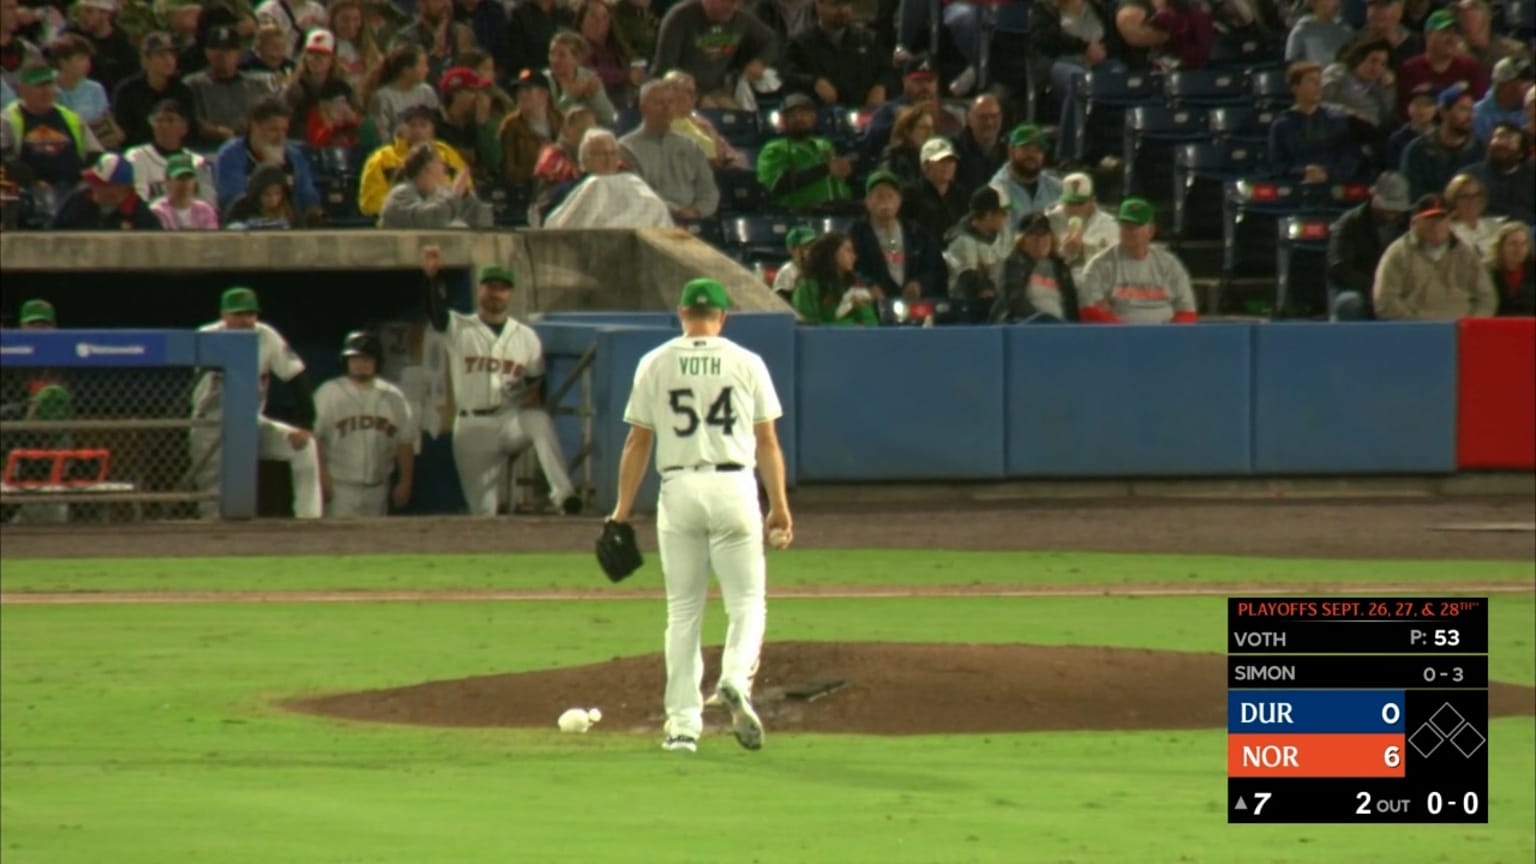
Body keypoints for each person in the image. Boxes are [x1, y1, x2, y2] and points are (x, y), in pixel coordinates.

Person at [609, 276, 790, 754]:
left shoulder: (656, 361)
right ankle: (734, 679)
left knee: (684, 611)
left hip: (680, 488)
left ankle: (683, 726)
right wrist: (780, 508)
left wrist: (620, 512)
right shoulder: (747, 362)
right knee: (747, 602)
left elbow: (638, 442)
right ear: (723, 316)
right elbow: (768, 442)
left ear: (682, 314)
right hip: (734, 485)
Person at [420, 246, 582, 516]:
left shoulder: (526, 336)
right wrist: (431, 279)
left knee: (538, 420)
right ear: (480, 290)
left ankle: (564, 496)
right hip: (472, 427)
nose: (496, 292)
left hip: (510, 419)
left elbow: (535, 381)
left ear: (510, 294)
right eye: (491, 287)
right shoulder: (459, 326)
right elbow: (434, 312)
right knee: (483, 512)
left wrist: (527, 393)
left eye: (502, 288)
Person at [189, 286, 322, 520]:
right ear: (224, 314)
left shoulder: (266, 335)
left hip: (251, 422)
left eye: (249, 314)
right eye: (238, 314)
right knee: (211, 496)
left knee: (303, 446)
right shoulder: (207, 335)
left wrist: (306, 423)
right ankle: (211, 540)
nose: (244, 320)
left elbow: (296, 376)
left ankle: (308, 519)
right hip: (210, 425)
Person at [314, 330, 416, 519]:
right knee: (338, 543)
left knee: (376, 544)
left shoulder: (394, 396)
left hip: (379, 489)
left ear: (377, 361)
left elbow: (405, 442)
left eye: (367, 359)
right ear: (346, 362)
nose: (361, 364)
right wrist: (322, 478)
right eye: (356, 359)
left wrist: (405, 481)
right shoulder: (328, 393)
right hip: (340, 488)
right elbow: (315, 439)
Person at [1374, 194, 1497, 320]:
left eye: (1441, 219)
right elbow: (1385, 300)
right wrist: (1414, 326)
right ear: (1414, 223)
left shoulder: (1466, 255)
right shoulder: (1398, 254)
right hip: (1414, 332)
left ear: (1449, 222)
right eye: (1429, 219)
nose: (1436, 225)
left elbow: (1486, 297)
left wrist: (1471, 325)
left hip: (1460, 331)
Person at [1078, 197, 1198, 323]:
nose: (1130, 231)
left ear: (1151, 230)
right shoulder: (1100, 264)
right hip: (1117, 338)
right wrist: (1128, 334)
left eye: (1136, 226)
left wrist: (1169, 336)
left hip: (1165, 337)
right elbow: (1089, 310)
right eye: (1125, 226)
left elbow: (1187, 311)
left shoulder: (1169, 264)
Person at [1030, 0, 1120, 165]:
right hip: (1060, 62)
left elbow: (1112, 38)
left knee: (1118, 75)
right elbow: (1044, 39)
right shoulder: (1044, 8)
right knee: (1080, 81)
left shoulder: (1097, 8)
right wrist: (1083, 47)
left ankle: (1109, 150)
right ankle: (1068, 154)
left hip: (1097, 63)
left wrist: (1102, 51)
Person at [1, 63, 103, 207]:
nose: (47, 91)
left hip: (74, 189)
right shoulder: (7, 119)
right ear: (22, 90)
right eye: (39, 86)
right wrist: (30, 181)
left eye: (50, 86)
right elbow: (5, 158)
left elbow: (95, 154)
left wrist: (84, 183)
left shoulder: (71, 118)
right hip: (28, 193)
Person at [619, 78, 719, 219]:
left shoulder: (691, 146)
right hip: (649, 220)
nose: (667, 108)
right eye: (659, 103)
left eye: (671, 102)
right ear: (643, 107)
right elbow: (636, 192)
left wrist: (697, 211)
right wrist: (674, 211)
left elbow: (709, 190)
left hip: (694, 220)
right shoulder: (626, 147)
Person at [652, 0, 778, 109]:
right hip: (679, 92)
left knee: (739, 119)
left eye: (737, 2)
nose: (732, 7)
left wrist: (760, 62)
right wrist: (696, 97)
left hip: (717, 90)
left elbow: (771, 40)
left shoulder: (741, 19)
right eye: (726, 1)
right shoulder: (681, 16)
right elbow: (663, 71)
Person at [212, 95, 320, 216]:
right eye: (273, 130)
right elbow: (232, 201)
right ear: (254, 126)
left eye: (284, 130)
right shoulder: (231, 155)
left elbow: (309, 198)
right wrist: (268, 171)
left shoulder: (294, 156)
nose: (280, 138)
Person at [544, 126, 673, 227]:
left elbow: (653, 208)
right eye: (602, 154)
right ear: (584, 158)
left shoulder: (631, 183)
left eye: (613, 153)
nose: (609, 160)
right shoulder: (566, 190)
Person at [357, 103, 469, 216]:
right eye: (412, 125)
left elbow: (467, 191)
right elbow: (369, 203)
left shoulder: (447, 154)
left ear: (433, 129)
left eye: (423, 125)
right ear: (401, 129)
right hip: (398, 223)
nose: (418, 131)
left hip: (445, 219)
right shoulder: (382, 159)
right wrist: (414, 208)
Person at [852, 170, 947, 300]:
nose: (885, 202)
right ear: (867, 201)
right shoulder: (856, 234)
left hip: (913, 306)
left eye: (890, 196)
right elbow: (849, 269)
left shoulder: (916, 233)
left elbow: (935, 267)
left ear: (899, 201)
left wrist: (920, 284)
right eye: (879, 196)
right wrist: (868, 285)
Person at [1328, 170, 1411, 320]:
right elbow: (1339, 266)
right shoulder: (1351, 223)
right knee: (1350, 303)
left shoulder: (1411, 223)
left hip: (1402, 287)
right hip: (1362, 288)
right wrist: (1376, 287)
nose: (1391, 212)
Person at [781, 0, 888, 109]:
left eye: (846, 4)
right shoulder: (801, 44)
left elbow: (887, 70)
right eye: (835, 5)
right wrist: (814, 82)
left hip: (862, 112)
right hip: (819, 114)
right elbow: (787, 74)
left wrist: (881, 86)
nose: (842, 10)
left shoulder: (868, 40)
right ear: (819, 5)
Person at [755, 90, 851, 211]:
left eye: (804, 113)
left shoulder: (824, 144)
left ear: (813, 117)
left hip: (840, 209)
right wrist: (825, 169)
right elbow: (779, 185)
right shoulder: (774, 148)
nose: (799, 117)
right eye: (792, 114)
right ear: (783, 120)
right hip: (801, 215)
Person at [1270, 61, 1362, 183]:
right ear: (1295, 88)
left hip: (1334, 185)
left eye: (1320, 81)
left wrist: (1327, 173)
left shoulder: (1337, 120)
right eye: (1311, 81)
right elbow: (1278, 164)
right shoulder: (1282, 125)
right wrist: (1303, 172)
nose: (1318, 86)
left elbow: (1350, 158)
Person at [1395, 9, 1487, 119]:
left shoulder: (1470, 68)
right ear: (1428, 35)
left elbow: (1480, 107)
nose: (1452, 38)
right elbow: (1403, 112)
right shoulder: (1410, 69)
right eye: (1445, 31)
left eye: (1455, 33)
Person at [378, 140, 491, 227]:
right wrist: (455, 196)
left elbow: (484, 222)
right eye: (441, 163)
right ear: (428, 167)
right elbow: (428, 220)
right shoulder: (400, 194)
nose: (445, 170)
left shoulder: (442, 194)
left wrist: (466, 197)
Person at [111, 31, 196, 146]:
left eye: (172, 55)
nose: (169, 60)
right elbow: (123, 132)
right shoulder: (127, 91)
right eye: (162, 55)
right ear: (146, 59)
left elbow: (190, 131)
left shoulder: (182, 91)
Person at [125, 98, 216, 206]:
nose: (163, 125)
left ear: (184, 128)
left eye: (170, 120)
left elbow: (209, 202)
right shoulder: (137, 156)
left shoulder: (197, 161)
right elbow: (139, 200)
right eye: (158, 120)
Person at [184, 24, 266, 144]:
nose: (222, 54)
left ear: (239, 53)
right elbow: (192, 121)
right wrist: (219, 132)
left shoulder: (256, 83)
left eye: (228, 49)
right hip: (208, 148)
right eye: (216, 48)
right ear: (207, 52)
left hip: (249, 145)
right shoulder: (192, 84)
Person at [995, 211, 1081, 323]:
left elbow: (1071, 306)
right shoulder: (1012, 264)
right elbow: (1015, 301)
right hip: (1025, 328)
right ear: (1022, 240)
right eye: (1033, 234)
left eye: (1044, 234)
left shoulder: (1061, 267)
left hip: (1062, 330)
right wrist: (1043, 323)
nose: (1040, 240)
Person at [1401, 83, 1483, 200]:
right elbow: (1413, 197)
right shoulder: (1418, 150)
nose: (1470, 117)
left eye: (1472, 110)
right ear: (1443, 112)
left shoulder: (1479, 149)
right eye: (1463, 109)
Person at [283, 28, 358, 146]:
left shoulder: (341, 88)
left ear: (332, 59)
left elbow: (353, 124)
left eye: (322, 55)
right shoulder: (295, 89)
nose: (315, 59)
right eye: (311, 54)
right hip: (302, 147)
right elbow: (287, 125)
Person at [51, 150, 162, 228]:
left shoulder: (141, 216)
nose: (92, 186)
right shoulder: (78, 200)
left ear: (121, 188)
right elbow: (55, 232)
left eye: (99, 183)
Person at [663, 68, 747, 169]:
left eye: (695, 92)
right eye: (689, 92)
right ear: (672, 94)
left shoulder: (697, 119)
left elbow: (726, 150)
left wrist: (731, 160)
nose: (695, 97)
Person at [47, 32, 120, 148]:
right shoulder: (46, 89)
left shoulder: (95, 89)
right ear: (63, 62)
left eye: (88, 59)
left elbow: (108, 128)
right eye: (81, 59)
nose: (87, 64)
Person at [791, 230, 877, 325]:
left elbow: (871, 324)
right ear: (831, 252)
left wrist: (860, 309)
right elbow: (808, 326)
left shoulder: (854, 284)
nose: (854, 257)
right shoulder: (807, 286)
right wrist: (850, 325)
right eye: (848, 250)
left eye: (854, 252)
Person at [1046, 171, 1118, 283]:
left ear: (1092, 201)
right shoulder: (1049, 220)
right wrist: (1062, 252)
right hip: (1057, 282)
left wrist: (1085, 248)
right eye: (1070, 203)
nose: (1075, 209)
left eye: (1080, 203)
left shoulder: (1109, 225)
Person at [360, 43, 437, 146]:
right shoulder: (383, 97)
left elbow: (437, 127)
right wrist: (399, 136)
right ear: (406, 70)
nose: (427, 70)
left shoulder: (427, 92)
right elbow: (380, 138)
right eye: (422, 65)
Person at [434, 64, 500, 181]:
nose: (479, 98)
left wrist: (483, 125)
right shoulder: (432, 122)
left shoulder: (481, 122)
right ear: (456, 94)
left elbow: (493, 163)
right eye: (474, 92)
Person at [944, 185, 1010, 300]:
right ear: (988, 214)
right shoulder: (962, 241)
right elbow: (971, 283)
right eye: (1003, 213)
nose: (1007, 218)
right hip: (968, 308)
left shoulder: (1004, 234)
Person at [989, 123, 1061, 226]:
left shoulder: (1056, 187)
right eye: (1026, 148)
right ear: (1011, 151)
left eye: (1038, 150)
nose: (1032, 155)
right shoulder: (997, 190)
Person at [901, 135, 966, 246]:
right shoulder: (910, 195)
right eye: (941, 161)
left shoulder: (960, 194)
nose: (947, 166)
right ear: (925, 165)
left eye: (950, 160)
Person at [498, 68, 558, 185]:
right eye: (519, 90)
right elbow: (509, 170)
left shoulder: (560, 120)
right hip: (527, 189)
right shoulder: (511, 126)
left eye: (528, 90)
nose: (522, 94)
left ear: (544, 94)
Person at [390, 0, 475, 83]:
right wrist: (436, 53)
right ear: (421, 4)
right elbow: (409, 81)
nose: (446, 4)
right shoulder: (407, 39)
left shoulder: (462, 33)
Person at [1321, 37, 1395, 131]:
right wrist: (1350, 115)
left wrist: (1388, 89)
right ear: (1359, 58)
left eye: (1383, 64)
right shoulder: (1338, 72)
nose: (1377, 68)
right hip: (1337, 129)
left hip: (1370, 135)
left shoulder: (1380, 84)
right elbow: (1319, 103)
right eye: (1373, 60)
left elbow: (1386, 117)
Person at [547, 29, 616, 127]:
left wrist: (594, 96)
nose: (554, 60)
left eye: (561, 55)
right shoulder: (545, 81)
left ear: (577, 59)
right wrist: (571, 95)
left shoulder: (588, 77)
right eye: (552, 54)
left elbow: (608, 117)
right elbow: (551, 119)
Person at [1466, 123, 1533, 223]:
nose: (1502, 143)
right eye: (1499, 137)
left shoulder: (1532, 175)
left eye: (1509, 140)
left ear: (1521, 153)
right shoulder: (1470, 176)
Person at [950, 92, 1004, 201]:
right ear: (969, 120)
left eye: (994, 116)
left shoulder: (1009, 151)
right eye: (983, 117)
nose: (989, 122)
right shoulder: (953, 151)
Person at [506, 0, 573, 84]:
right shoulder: (521, 16)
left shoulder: (565, 14)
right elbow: (517, 58)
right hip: (535, 79)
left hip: (565, 78)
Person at [148, 151, 218, 228]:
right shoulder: (157, 211)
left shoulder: (205, 210)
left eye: (189, 177)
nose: (185, 183)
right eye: (180, 178)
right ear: (167, 181)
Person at [1473, 56, 1533, 144]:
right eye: (1524, 81)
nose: (1531, 85)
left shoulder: (1532, 110)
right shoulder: (1477, 116)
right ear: (1505, 86)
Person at [222, 162, 298, 227]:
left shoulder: (290, 208)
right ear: (257, 193)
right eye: (267, 194)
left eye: (278, 194)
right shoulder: (241, 208)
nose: (273, 199)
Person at [879, 101, 934, 188]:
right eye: (924, 128)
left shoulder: (934, 156)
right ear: (907, 131)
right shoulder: (893, 155)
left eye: (931, 128)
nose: (929, 134)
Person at [1443, 171, 1498, 256]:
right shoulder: (1447, 231)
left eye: (1476, 195)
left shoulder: (1493, 226)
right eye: (1465, 197)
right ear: (1453, 200)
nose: (1472, 201)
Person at [1485, 219, 1534, 316]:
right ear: (1501, 246)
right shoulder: (1488, 272)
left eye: (1524, 244)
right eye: (1513, 244)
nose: (1519, 249)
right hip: (1497, 325)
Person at [1285, 0, 1353, 64]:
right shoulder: (1301, 32)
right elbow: (1292, 67)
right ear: (1315, 2)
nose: (1336, 3)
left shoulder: (1345, 31)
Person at [772, 224, 814, 301]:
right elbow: (781, 303)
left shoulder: (821, 269)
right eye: (806, 247)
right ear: (792, 250)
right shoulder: (786, 271)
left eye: (813, 246)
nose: (811, 251)